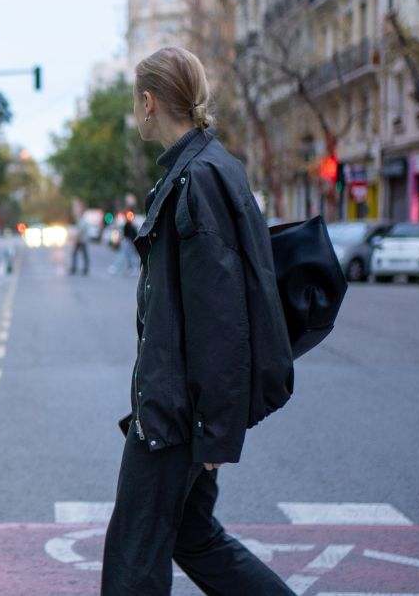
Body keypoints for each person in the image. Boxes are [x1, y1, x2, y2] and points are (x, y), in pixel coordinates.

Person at [101, 47, 296, 595]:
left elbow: (220, 317)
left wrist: (214, 430)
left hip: (175, 413)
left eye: (135, 102)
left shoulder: (197, 179)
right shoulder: (209, 166)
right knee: (192, 535)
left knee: (133, 556)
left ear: (148, 102)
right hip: (187, 406)